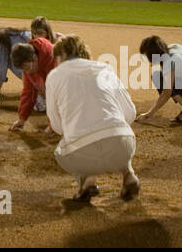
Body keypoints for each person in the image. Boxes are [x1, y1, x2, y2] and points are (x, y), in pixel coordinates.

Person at [47, 36, 141, 202]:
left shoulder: (55, 75)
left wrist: (73, 128)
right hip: (123, 145)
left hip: (82, 151)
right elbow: (130, 112)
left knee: (65, 147)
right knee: (115, 131)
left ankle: (88, 181)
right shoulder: (105, 69)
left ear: (61, 56)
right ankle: (129, 175)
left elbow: (56, 125)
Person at [9, 37, 57, 132]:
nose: (27, 72)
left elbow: (56, 96)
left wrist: (53, 125)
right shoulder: (29, 66)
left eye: (27, 68)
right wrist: (22, 119)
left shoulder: (53, 62)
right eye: (23, 70)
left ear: (35, 58)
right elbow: (28, 93)